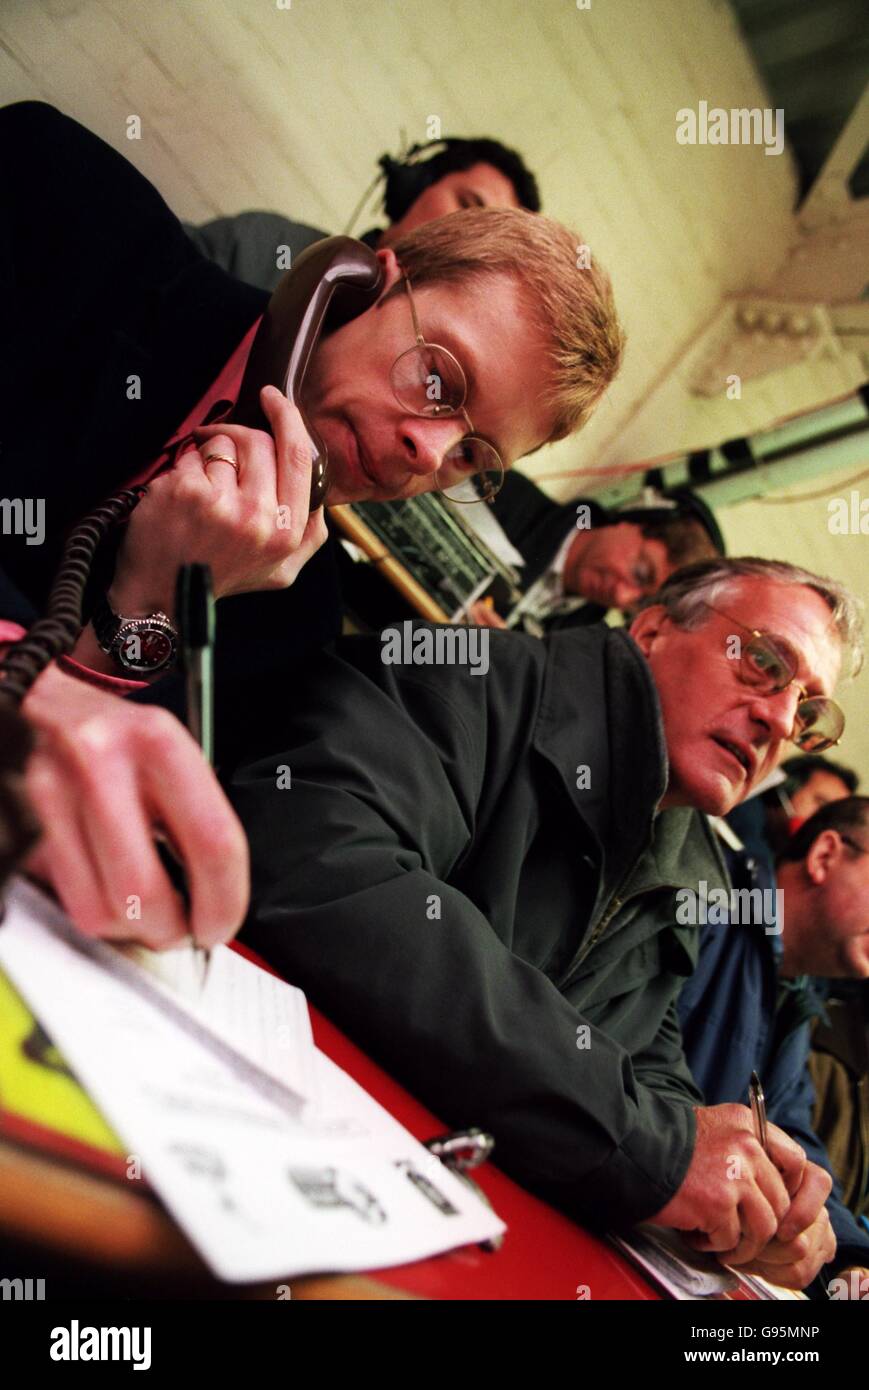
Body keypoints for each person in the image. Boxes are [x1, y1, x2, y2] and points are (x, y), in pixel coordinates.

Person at [0, 101, 621, 946]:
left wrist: (147, 604)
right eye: (438, 379)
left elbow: (116, 818)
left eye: (471, 456)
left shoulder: (294, 615)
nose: (424, 449)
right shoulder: (58, 204)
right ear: (363, 282)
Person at [229, 557, 861, 1282]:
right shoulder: (468, 680)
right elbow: (322, 861)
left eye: (806, 712)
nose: (779, 719)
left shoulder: (686, 863)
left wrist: (738, 1190)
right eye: (761, 661)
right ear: (652, 628)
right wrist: (651, 1150)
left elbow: (641, 1060)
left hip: (388, 1215)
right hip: (232, 1145)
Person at [678, 797, 869, 1293]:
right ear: (825, 855)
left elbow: (791, 1134)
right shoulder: (707, 904)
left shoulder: (797, 992)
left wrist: (846, 1259)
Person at [186, 136, 541, 292]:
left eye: (482, 234)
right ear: (416, 185)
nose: (463, 235)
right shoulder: (267, 245)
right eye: (466, 206)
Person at [467, 473, 724, 633]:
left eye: (640, 603)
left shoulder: (576, 643)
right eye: (641, 573)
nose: (621, 596)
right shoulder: (497, 493)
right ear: (633, 517)